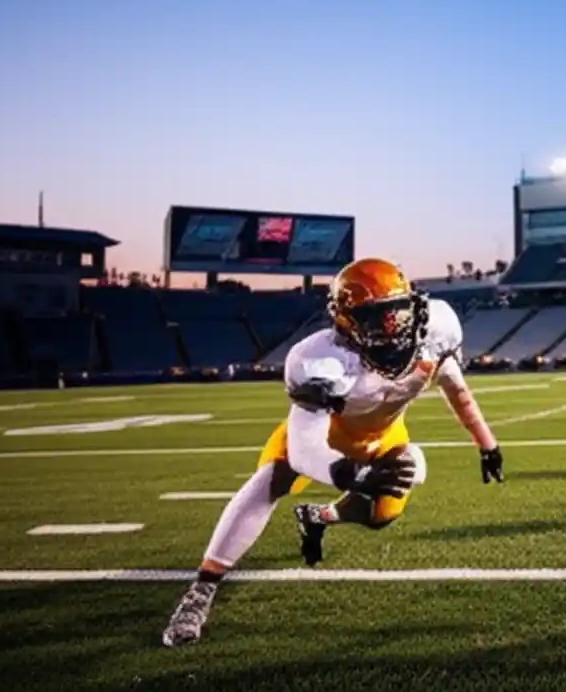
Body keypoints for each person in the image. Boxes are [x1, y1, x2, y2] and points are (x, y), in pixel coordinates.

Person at [162, 258, 505, 647]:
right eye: (374, 317)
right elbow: (305, 448)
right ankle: (202, 589)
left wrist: (487, 445)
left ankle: (318, 516)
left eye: (396, 312)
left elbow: (458, 391)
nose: (391, 326)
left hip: (385, 436)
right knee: (271, 479)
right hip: (327, 436)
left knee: (383, 515)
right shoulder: (321, 359)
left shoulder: (434, 336)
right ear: (345, 321)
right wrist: (352, 474)